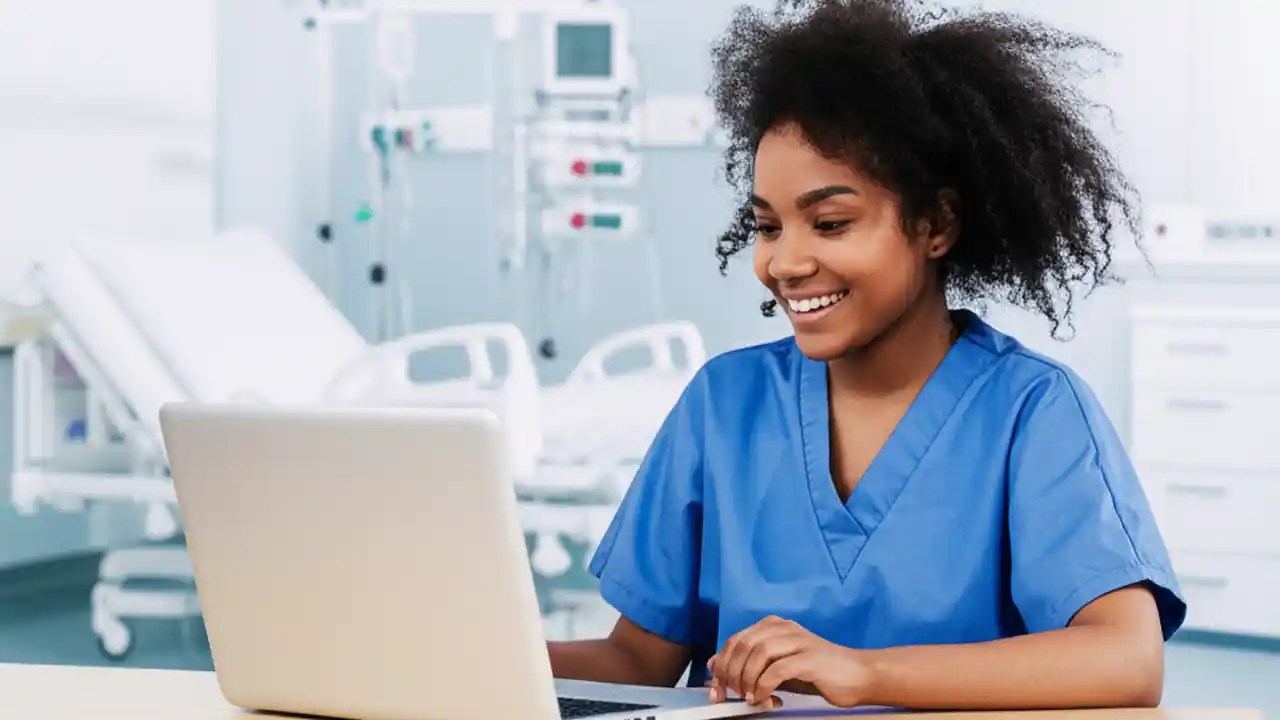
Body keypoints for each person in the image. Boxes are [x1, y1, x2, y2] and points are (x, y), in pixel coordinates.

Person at [548, 0, 1186, 711]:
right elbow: (636, 658)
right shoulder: (725, 404)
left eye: (830, 222)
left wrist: (866, 672)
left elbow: (1126, 658)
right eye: (767, 226)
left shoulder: (1031, 413)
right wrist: (450, 642)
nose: (784, 262)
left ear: (935, 224)